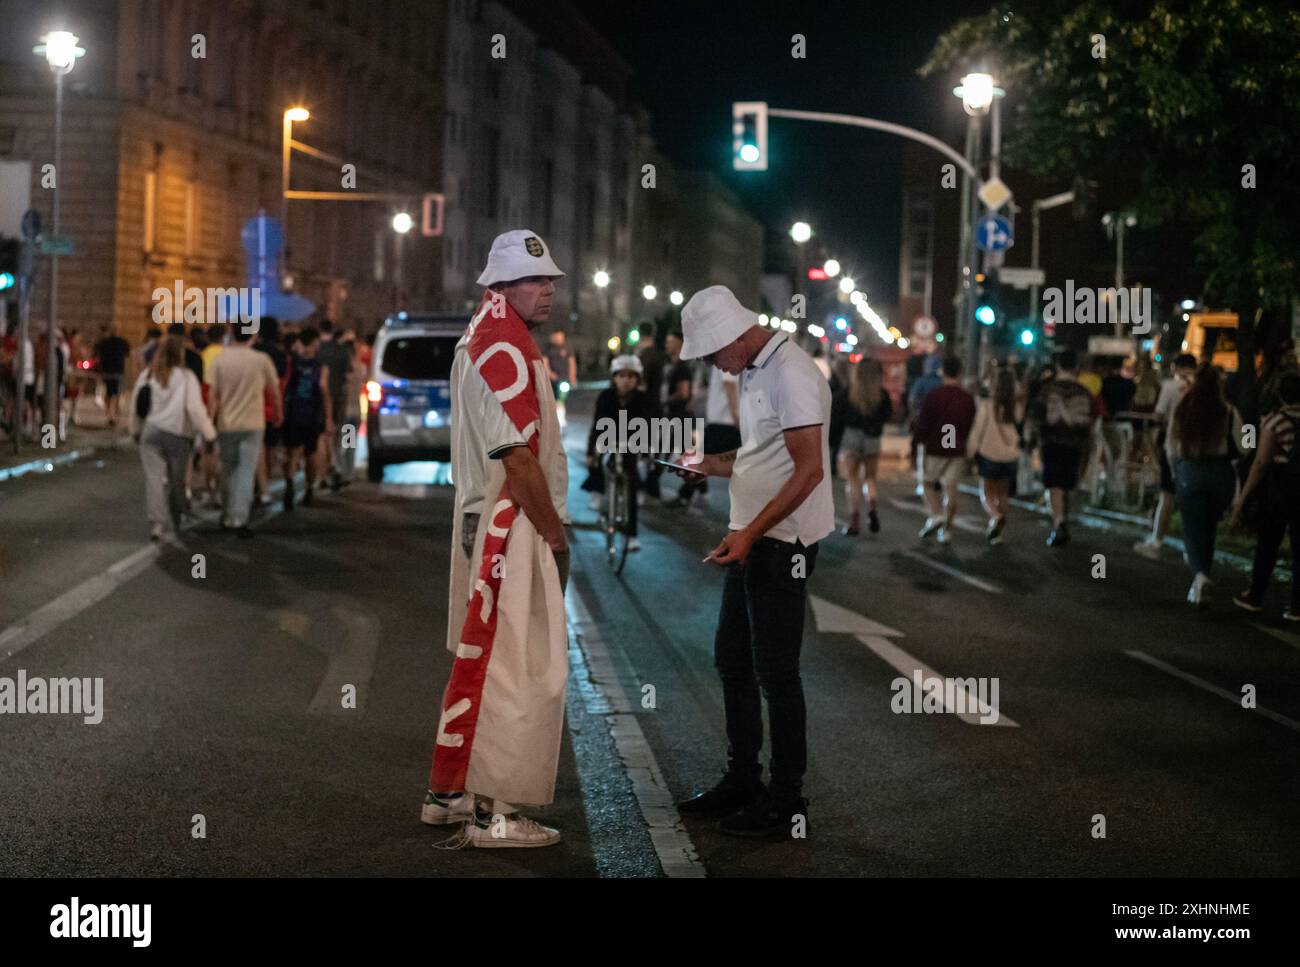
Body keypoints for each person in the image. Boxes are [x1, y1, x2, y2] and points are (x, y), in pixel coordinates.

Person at [423, 229, 570, 849]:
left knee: (480, 658)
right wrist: (557, 535)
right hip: (511, 524)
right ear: (501, 285)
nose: (549, 291)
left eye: (551, 281)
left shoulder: (485, 335)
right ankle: (496, 814)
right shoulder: (503, 344)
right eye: (537, 281)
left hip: (487, 518)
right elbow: (519, 459)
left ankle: (450, 792)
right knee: (518, 667)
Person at [671, 285, 833, 839]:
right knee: (732, 661)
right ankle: (743, 778)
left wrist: (751, 535)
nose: (713, 364)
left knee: (776, 674)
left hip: (781, 543)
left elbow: (808, 469)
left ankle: (787, 800)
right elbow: (763, 455)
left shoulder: (792, 373)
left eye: (713, 352)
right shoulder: (752, 371)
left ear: (734, 336)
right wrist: (708, 464)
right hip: (752, 538)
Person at [1166, 363, 1242, 606]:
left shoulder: (1182, 409)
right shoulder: (1229, 411)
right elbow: (1245, 445)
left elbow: (1170, 445)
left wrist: (1175, 469)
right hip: (1220, 473)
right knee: (1209, 526)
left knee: (1192, 527)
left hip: (1190, 470)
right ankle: (1203, 578)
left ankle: (1200, 576)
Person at [129, 335, 217, 542]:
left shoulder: (149, 374)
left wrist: (135, 430)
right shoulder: (187, 378)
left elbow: (136, 403)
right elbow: (194, 409)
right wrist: (209, 433)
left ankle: (157, 524)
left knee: (154, 480)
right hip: (177, 435)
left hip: (150, 432)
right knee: (177, 481)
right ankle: (179, 517)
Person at [1232, 372, 1300, 620]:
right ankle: (1297, 606)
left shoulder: (1275, 422)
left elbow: (1261, 462)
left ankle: (1255, 595)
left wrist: (1243, 497)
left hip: (1281, 488)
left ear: (1280, 394)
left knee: (1268, 543)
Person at [207, 325, 282, 537]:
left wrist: (210, 420)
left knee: (228, 469)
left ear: (232, 333)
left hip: (226, 422)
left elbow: (213, 394)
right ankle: (239, 518)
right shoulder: (261, 360)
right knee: (245, 471)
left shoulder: (220, 359)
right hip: (253, 423)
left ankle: (227, 514)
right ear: (253, 335)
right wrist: (278, 413)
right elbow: (274, 391)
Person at [584, 354, 655, 550]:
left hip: (631, 444)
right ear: (614, 378)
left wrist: (647, 450)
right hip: (607, 440)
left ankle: (632, 536)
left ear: (637, 379)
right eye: (621, 376)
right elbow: (597, 426)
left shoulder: (642, 399)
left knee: (631, 484)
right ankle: (597, 491)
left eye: (631, 376)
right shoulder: (605, 396)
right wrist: (590, 452)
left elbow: (648, 426)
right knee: (598, 462)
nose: (626, 380)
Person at [1134, 353, 1198, 559]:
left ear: (1175, 367)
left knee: (1167, 494)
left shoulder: (1171, 387)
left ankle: (1157, 541)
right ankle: (1194, 548)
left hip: (1173, 447)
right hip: (1199, 449)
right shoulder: (1203, 387)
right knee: (1193, 498)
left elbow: (1158, 415)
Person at [1035, 349, 1098, 547]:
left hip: (1051, 442)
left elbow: (1037, 417)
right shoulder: (1085, 393)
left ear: (1058, 366)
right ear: (1076, 368)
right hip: (1076, 443)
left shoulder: (1047, 390)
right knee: (1069, 481)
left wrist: (1033, 442)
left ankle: (1059, 520)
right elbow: (1092, 421)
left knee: (1054, 484)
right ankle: (1064, 518)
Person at [911, 355, 976, 544]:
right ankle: (947, 529)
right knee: (951, 488)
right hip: (957, 448)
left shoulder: (934, 396)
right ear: (960, 373)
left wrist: (915, 446)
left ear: (943, 372)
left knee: (926, 483)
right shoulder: (967, 398)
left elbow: (923, 424)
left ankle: (936, 514)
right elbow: (970, 423)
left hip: (935, 447)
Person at [833, 356, 892, 535]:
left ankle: (853, 520)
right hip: (872, 438)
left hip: (851, 436)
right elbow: (887, 415)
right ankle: (872, 508)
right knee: (870, 477)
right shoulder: (882, 395)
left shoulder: (848, 393)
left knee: (852, 478)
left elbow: (836, 412)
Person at [675, 353, 742, 512]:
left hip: (724, 421)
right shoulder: (725, 359)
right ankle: (692, 494)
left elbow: (730, 387)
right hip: (722, 420)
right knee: (709, 460)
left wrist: (736, 418)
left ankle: (691, 495)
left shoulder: (727, 358)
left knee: (706, 461)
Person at [967, 367, 1022, 544]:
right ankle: (997, 532)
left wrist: (970, 452)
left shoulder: (987, 406)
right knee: (1003, 494)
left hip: (989, 454)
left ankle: (995, 516)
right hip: (1011, 456)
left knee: (987, 492)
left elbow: (977, 432)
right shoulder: (1017, 407)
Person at [280, 327, 332, 510]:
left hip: (294, 414)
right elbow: (324, 390)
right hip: (313, 415)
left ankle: (289, 484)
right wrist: (329, 418)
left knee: (293, 452)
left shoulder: (292, 363)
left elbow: (285, 387)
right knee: (312, 453)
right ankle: (312, 487)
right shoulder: (321, 366)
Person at [314, 320, 351, 490]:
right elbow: (347, 377)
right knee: (339, 433)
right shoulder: (342, 351)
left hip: (318, 398)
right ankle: (339, 466)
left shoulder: (317, 350)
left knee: (321, 436)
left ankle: (324, 472)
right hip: (339, 399)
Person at [93, 326, 131, 426]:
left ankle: (110, 414)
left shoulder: (104, 343)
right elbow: (127, 355)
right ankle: (115, 415)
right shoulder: (122, 342)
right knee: (117, 394)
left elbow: (98, 355)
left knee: (109, 394)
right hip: (118, 371)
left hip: (108, 371)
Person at [544, 328, 577, 402]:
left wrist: (572, 376)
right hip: (552, 379)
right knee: (552, 398)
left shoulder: (567, 347)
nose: (559, 339)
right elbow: (545, 361)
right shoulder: (548, 348)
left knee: (562, 398)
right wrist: (549, 373)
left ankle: (561, 407)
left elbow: (572, 363)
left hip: (565, 378)